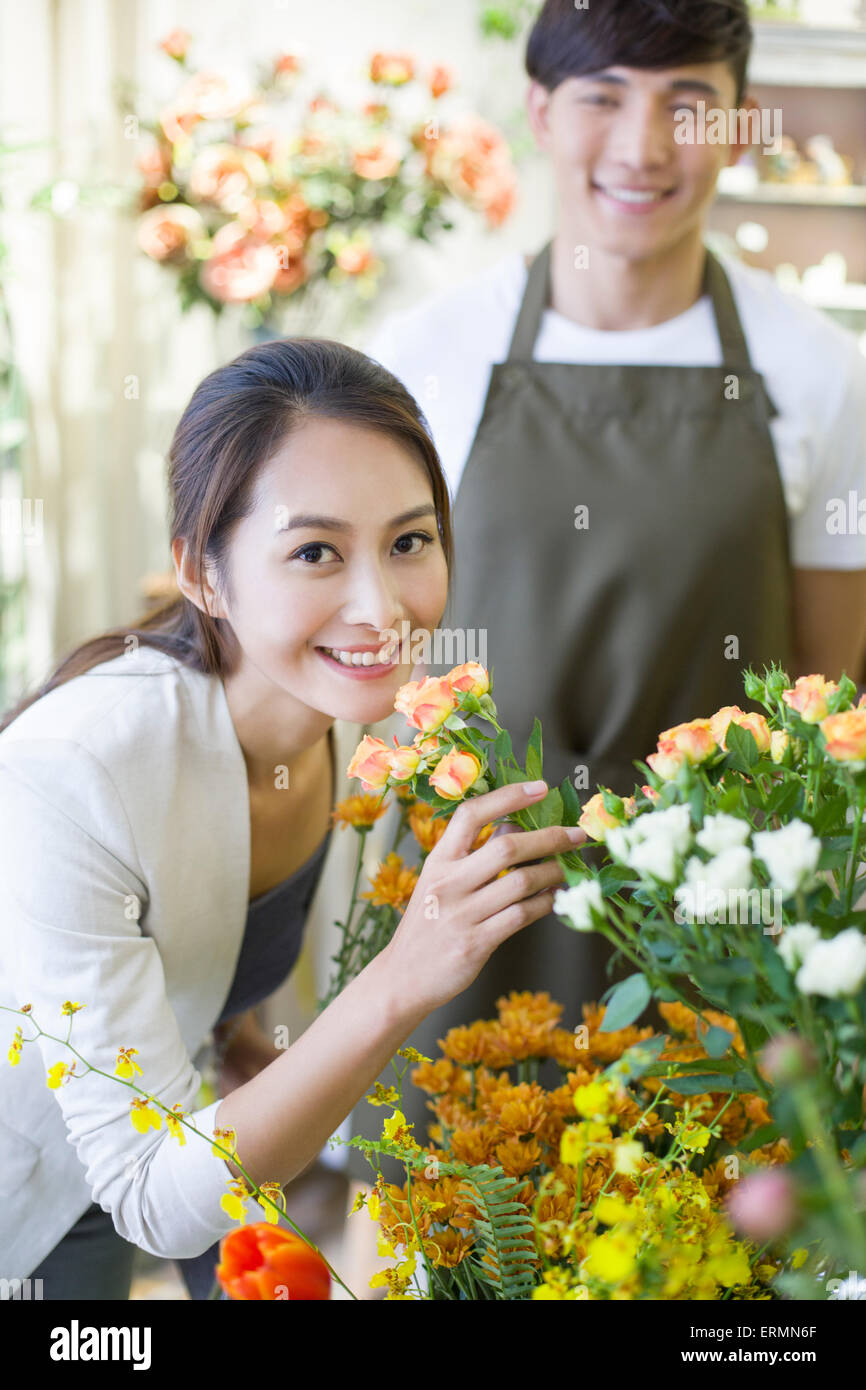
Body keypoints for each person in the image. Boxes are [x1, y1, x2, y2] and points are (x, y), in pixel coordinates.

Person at [344, 0, 866, 1202]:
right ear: (537, 113)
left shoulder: (817, 372)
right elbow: (363, 652)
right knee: (469, 1238)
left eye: (686, 100)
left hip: (714, 924)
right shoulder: (428, 355)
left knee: (706, 1262)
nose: (641, 146)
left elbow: (828, 698)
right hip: (471, 906)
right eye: (600, 97)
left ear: (736, 123)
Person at [0, 337, 587, 1299]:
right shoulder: (75, 773)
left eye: (409, 541)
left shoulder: (349, 726)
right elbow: (155, 1193)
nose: (382, 607)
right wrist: (406, 974)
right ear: (201, 570)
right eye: (315, 551)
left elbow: (204, 976)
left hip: (143, 1183)